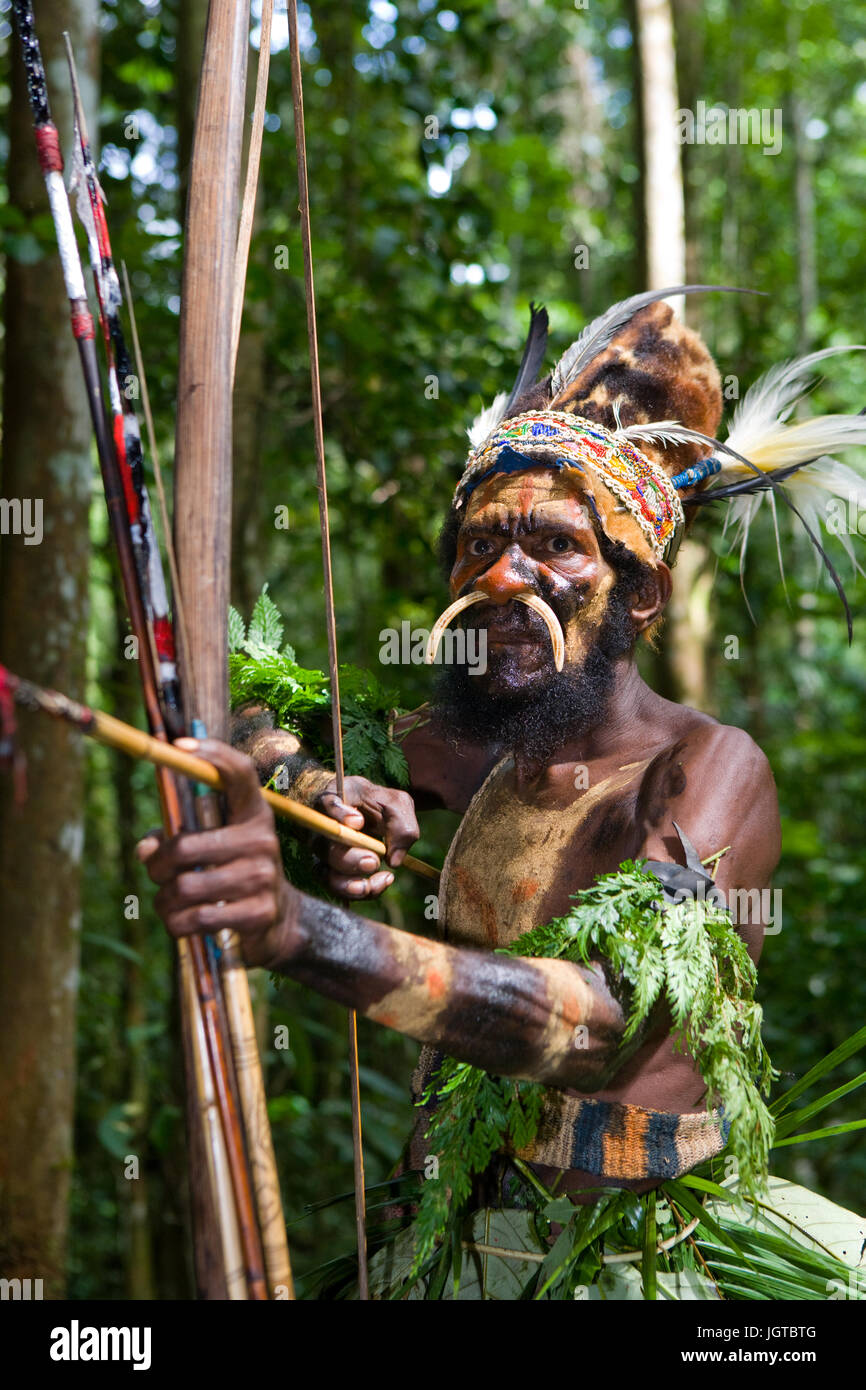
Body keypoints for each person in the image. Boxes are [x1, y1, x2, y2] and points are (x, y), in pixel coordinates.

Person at [137, 287, 862, 1212]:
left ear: (642, 594)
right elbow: (249, 721)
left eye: (555, 545)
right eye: (481, 544)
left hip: (625, 1256)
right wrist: (327, 794)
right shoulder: (470, 748)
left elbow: (602, 1022)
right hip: (445, 1231)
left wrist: (297, 931)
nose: (504, 578)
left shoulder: (706, 771)